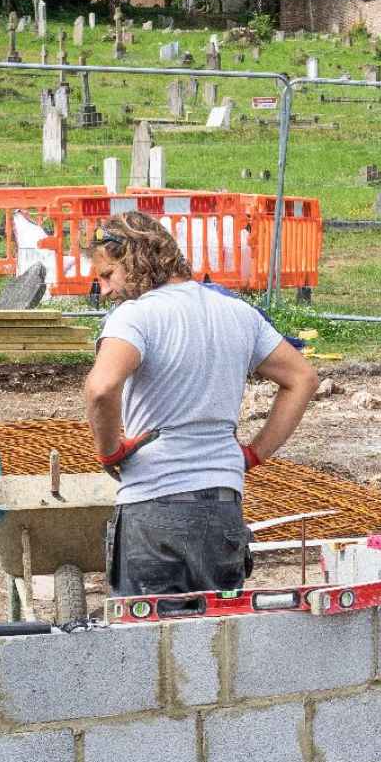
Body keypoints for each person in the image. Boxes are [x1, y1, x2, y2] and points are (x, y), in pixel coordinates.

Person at [83, 212, 319, 596]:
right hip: (223, 510)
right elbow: (302, 378)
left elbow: (101, 388)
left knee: (149, 632)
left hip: (154, 508)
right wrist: (254, 454)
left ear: (135, 257)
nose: (106, 290)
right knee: (218, 631)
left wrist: (109, 452)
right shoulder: (238, 313)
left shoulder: (136, 316)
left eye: (108, 275)